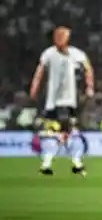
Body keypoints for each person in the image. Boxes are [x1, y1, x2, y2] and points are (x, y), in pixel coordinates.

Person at [29, 26, 94, 176]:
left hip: (69, 100)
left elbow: (88, 68)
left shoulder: (76, 53)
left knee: (69, 131)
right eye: (57, 35)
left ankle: (75, 163)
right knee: (53, 132)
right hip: (52, 101)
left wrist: (89, 86)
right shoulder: (48, 53)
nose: (59, 38)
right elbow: (40, 71)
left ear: (67, 38)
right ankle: (49, 164)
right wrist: (34, 87)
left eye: (63, 36)